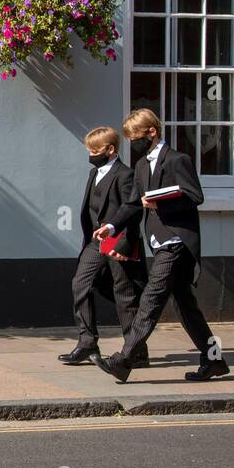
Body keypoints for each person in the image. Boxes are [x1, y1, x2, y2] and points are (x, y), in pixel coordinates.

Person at [91, 109, 230, 383]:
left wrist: (160, 203)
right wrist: (112, 227)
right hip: (159, 240)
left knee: (151, 299)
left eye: (135, 137)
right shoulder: (142, 166)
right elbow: (132, 204)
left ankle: (124, 360)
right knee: (185, 306)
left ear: (151, 132)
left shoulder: (178, 160)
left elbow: (194, 197)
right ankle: (214, 361)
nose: (132, 143)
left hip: (176, 240)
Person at [57, 126, 148, 366]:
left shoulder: (125, 175)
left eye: (95, 150)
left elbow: (133, 211)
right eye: (89, 150)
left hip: (118, 242)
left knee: (125, 295)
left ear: (110, 149)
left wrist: (126, 246)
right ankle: (87, 343)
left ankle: (136, 351)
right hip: (95, 242)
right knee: (80, 284)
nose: (91, 155)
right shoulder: (93, 173)